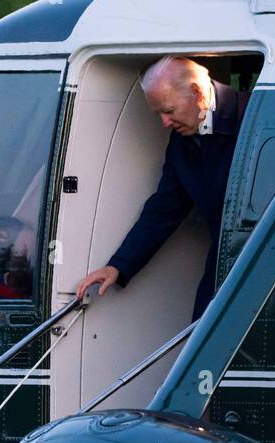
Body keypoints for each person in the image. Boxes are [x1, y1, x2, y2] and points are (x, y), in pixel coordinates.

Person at [75, 56, 250, 321]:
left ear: (197, 93)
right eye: (159, 113)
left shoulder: (253, 118)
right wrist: (118, 266)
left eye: (168, 111)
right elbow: (164, 209)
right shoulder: (182, 141)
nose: (164, 123)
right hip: (222, 265)